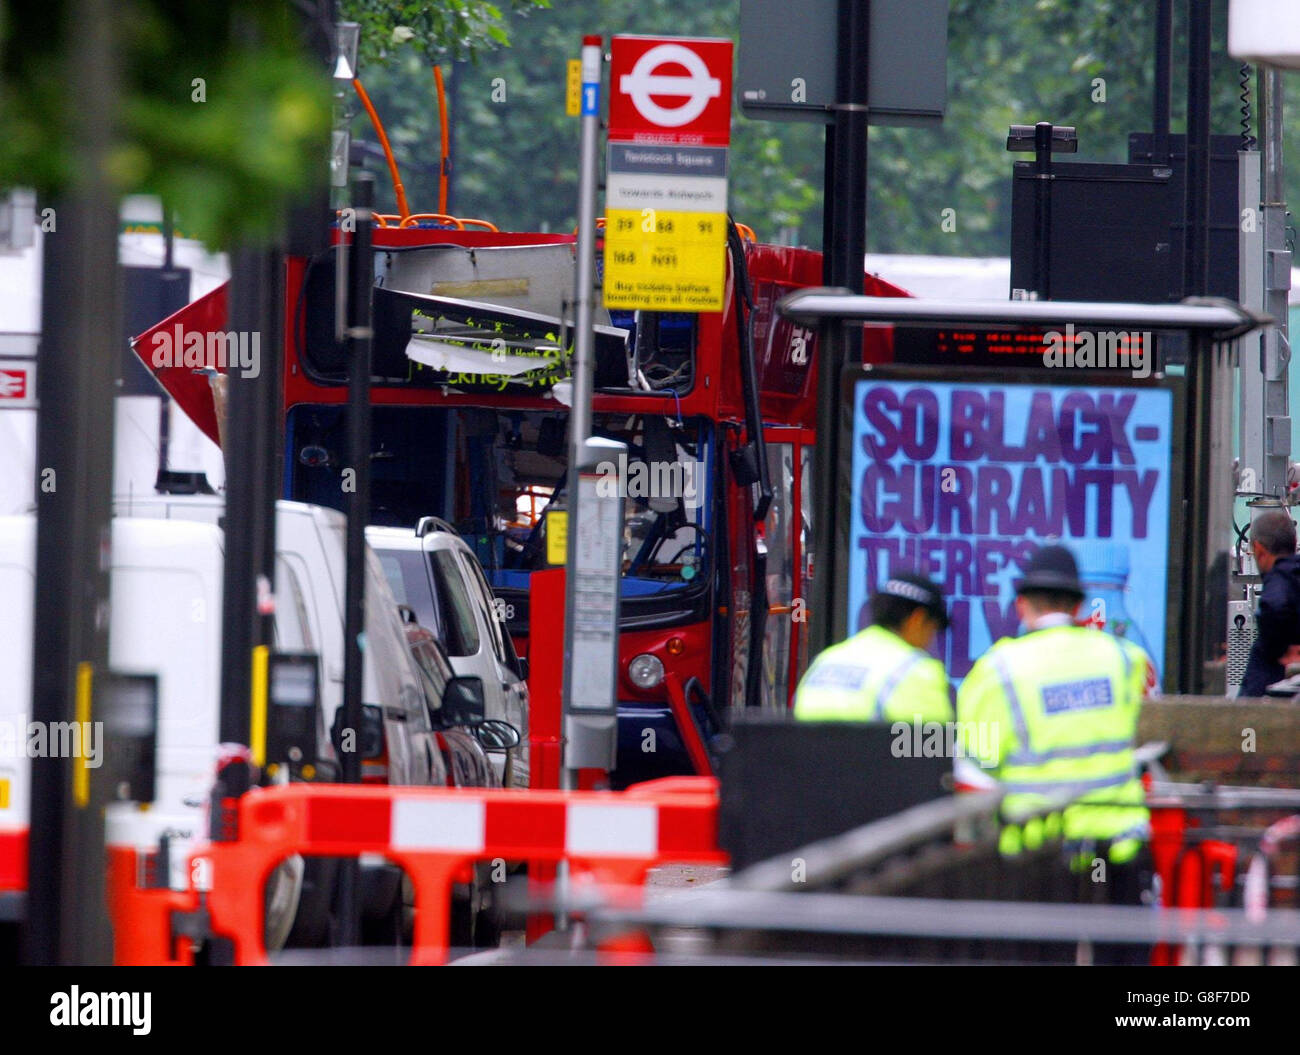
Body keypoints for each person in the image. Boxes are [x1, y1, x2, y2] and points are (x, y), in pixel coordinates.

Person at [957, 543, 1152, 961]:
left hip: (1037, 849)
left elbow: (976, 775)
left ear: (1021, 605)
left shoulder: (997, 670)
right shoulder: (1124, 659)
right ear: (1080, 606)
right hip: (1119, 843)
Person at [794, 572, 952, 723]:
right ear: (917, 619)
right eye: (933, 628)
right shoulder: (916, 672)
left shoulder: (825, 661)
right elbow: (933, 747)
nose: (930, 640)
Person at [1238, 510, 1300, 697]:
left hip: (1267, 694)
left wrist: (1283, 651)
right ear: (1294, 543)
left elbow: (1275, 606)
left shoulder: (1279, 579)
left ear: (1258, 549)